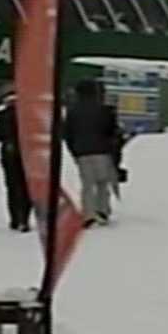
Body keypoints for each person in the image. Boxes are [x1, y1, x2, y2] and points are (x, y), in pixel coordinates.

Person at [62, 79, 120, 226]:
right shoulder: (105, 109)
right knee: (102, 182)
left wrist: (74, 151)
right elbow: (112, 131)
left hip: (82, 151)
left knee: (87, 184)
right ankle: (102, 210)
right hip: (102, 151)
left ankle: (88, 214)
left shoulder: (72, 111)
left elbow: (67, 133)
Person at [0, 96, 32, 232]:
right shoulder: (30, 115)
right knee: (26, 188)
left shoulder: (3, 116)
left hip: (9, 153)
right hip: (28, 154)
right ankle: (24, 219)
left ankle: (15, 219)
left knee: (12, 188)